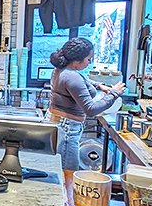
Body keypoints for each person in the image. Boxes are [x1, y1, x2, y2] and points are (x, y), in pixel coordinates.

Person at [48, 38, 125, 170]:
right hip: (67, 129)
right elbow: (91, 109)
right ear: (77, 60)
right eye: (88, 59)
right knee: (68, 173)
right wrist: (114, 93)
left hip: (62, 125)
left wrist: (100, 85)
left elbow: (82, 79)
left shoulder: (62, 70)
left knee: (62, 170)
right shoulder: (72, 76)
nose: (89, 63)